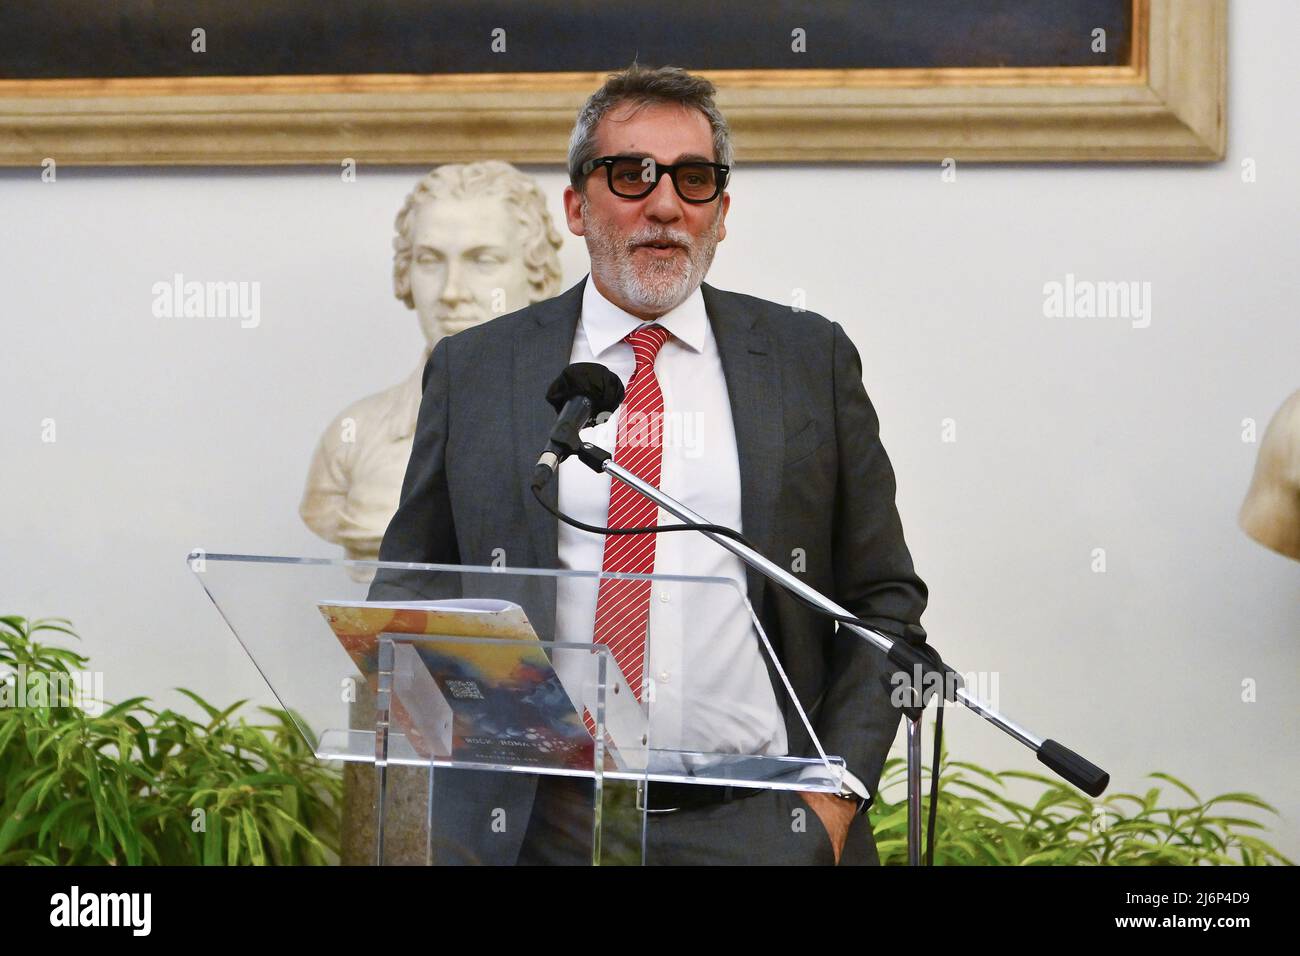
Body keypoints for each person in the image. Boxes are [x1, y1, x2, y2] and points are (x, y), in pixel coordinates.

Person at [374, 63, 928, 865]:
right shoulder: (477, 368)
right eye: (630, 174)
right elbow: (413, 587)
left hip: (759, 819)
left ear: (721, 213)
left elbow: (883, 601)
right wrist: (485, 744)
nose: (663, 204)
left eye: (692, 179)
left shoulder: (808, 361)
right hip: (535, 824)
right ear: (575, 205)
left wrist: (832, 796)